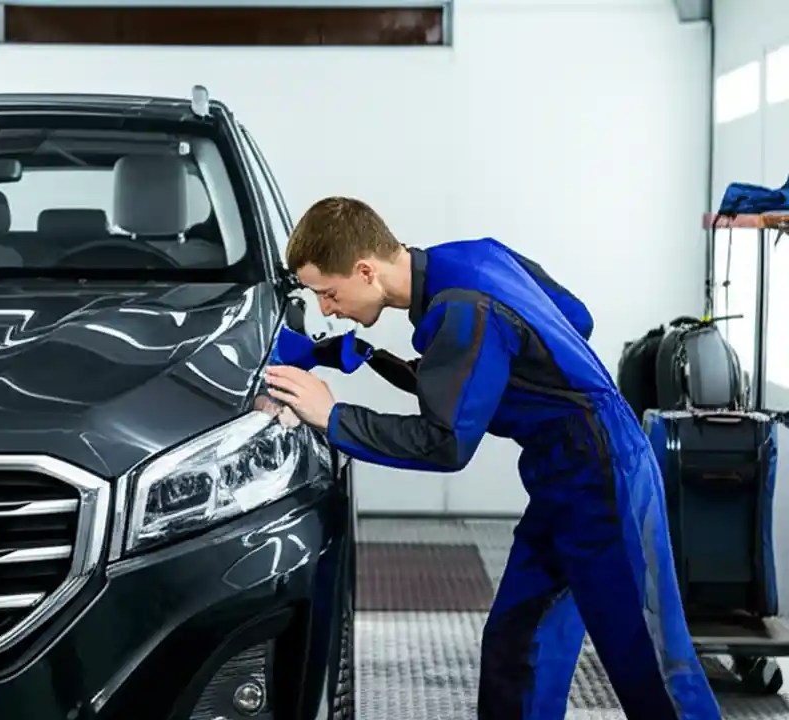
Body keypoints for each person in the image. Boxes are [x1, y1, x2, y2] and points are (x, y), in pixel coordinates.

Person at [262, 196, 720, 720]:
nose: (325, 308)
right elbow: (576, 318)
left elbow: (444, 442)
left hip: (604, 478)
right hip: (564, 479)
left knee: (651, 661)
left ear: (365, 271)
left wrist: (332, 415)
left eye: (328, 293)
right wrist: (359, 356)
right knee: (517, 646)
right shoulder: (475, 257)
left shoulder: (460, 307)